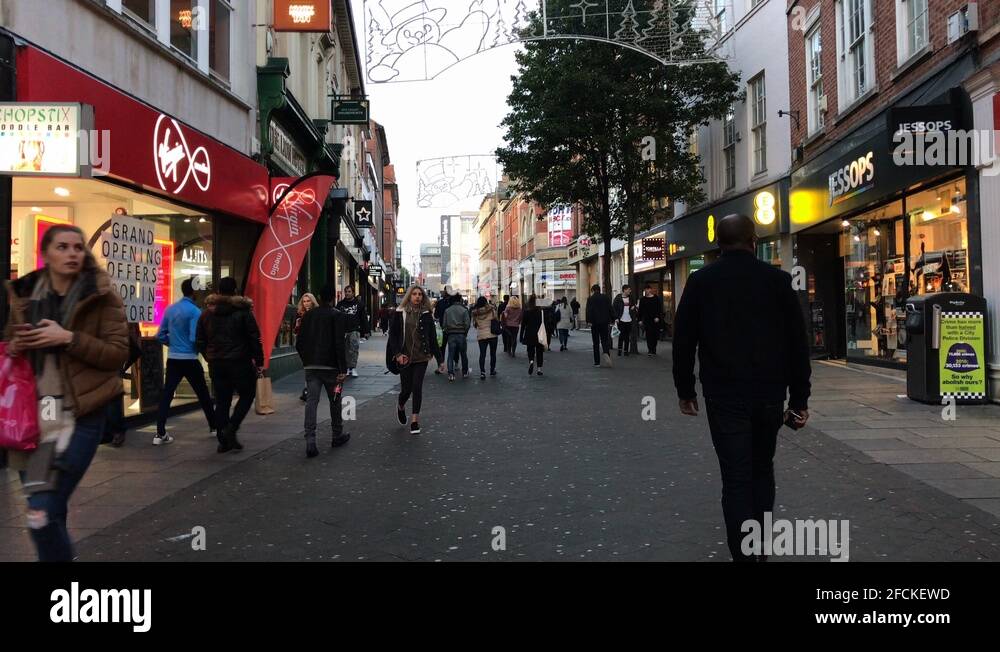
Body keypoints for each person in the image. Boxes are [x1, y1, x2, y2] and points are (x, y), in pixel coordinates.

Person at [672, 213, 811, 562]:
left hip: (723, 395)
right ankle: (760, 549)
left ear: (717, 244)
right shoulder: (778, 282)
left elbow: (684, 340)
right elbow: (798, 342)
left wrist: (685, 389)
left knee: (735, 477)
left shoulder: (701, 282)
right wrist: (800, 398)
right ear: (754, 242)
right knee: (762, 470)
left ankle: (744, 556)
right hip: (768, 393)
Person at [4, 224, 129, 561]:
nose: (72, 253)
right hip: (35, 420)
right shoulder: (23, 293)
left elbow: (118, 353)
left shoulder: (102, 295)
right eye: (63, 247)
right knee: (47, 511)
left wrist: (68, 338)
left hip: (81, 416)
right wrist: (16, 345)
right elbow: (8, 346)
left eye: (77, 247)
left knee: (40, 514)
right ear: (45, 253)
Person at [196, 276, 264, 453]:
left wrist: (209, 356)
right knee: (248, 394)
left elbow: (200, 340)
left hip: (217, 363)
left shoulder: (207, 313)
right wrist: (259, 360)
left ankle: (223, 439)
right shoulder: (243, 312)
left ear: (218, 291)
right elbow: (254, 338)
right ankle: (231, 428)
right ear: (235, 291)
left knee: (222, 399)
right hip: (239, 361)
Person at [154, 278, 216, 444]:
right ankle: (214, 426)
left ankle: (160, 433)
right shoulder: (195, 312)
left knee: (167, 395)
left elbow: (160, 335)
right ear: (194, 292)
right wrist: (200, 351)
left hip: (173, 358)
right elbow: (194, 337)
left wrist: (172, 343)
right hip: (189, 359)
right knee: (203, 394)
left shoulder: (170, 310)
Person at [295, 286, 350, 458]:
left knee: (312, 402)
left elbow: (299, 342)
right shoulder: (337, 315)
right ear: (333, 298)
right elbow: (339, 343)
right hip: (332, 368)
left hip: (311, 367)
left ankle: (310, 439)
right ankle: (337, 434)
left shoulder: (308, 316)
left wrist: (306, 360)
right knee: (335, 399)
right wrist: (343, 368)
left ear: (319, 297)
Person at [387, 285, 441, 434]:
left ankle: (414, 420)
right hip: (404, 358)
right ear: (409, 296)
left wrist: (440, 360)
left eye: (420, 294)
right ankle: (400, 405)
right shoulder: (400, 313)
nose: (417, 296)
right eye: (414, 294)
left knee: (417, 387)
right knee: (406, 390)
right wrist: (398, 354)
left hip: (421, 357)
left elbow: (432, 339)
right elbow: (393, 336)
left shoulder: (426, 314)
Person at [336, 285, 369, 378]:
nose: (347, 293)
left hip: (355, 329)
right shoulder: (340, 304)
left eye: (349, 291)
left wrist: (366, 331)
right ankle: (346, 368)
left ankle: (353, 368)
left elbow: (364, 318)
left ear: (353, 293)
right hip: (342, 331)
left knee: (354, 349)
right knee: (344, 350)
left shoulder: (359, 304)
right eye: (346, 291)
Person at [294, 292, 318, 402]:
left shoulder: (316, 313)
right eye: (304, 301)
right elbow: (296, 331)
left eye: (308, 301)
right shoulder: (300, 315)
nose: (306, 303)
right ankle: (308, 389)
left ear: (312, 302)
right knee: (307, 368)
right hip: (303, 345)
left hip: (314, 345)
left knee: (310, 368)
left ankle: (308, 389)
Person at [442, 292, 471, 381]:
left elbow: (444, 325)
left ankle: (451, 374)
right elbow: (467, 324)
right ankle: (465, 372)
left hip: (451, 335)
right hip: (461, 334)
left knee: (450, 355)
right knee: (463, 355)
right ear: (460, 299)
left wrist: (448, 331)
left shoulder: (447, 310)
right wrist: (465, 333)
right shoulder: (464, 310)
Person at [585, 284, 614, 367]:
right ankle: (606, 352)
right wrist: (613, 319)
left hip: (594, 323)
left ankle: (597, 362)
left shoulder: (590, 299)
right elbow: (610, 308)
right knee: (605, 340)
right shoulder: (605, 298)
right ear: (599, 290)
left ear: (593, 290)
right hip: (605, 322)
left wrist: (588, 321)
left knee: (596, 342)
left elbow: (588, 310)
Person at [471, 296, 499, 379]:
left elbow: (475, 325)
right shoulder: (492, 309)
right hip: (492, 334)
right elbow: (496, 319)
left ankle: (482, 372)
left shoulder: (475, 313)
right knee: (493, 354)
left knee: (482, 354)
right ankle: (492, 370)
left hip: (481, 335)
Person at [519, 294, 546, 376]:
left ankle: (531, 361)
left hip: (529, 333)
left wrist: (521, 335)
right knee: (539, 351)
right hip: (539, 334)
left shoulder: (527, 312)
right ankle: (539, 369)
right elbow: (544, 323)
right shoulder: (541, 312)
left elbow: (523, 325)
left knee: (530, 349)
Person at [637, 284, 665, 356]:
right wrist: (639, 320)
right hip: (647, 320)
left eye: (648, 289)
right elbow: (640, 310)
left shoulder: (656, 298)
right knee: (649, 335)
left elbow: (659, 309)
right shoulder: (643, 300)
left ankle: (654, 348)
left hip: (655, 320)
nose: (646, 291)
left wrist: (658, 317)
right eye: (645, 290)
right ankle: (650, 350)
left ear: (650, 290)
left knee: (655, 335)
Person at [612, 284, 637, 357]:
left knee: (627, 337)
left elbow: (633, 306)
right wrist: (616, 318)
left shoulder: (631, 298)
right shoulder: (618, 298)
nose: (630, 291)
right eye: (629, 289)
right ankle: (619, 351)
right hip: (621, 320)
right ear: (624, 290)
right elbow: (614, 309)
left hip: (629, 320)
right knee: (621, 336)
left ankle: (626, 351)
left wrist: (633, 308)